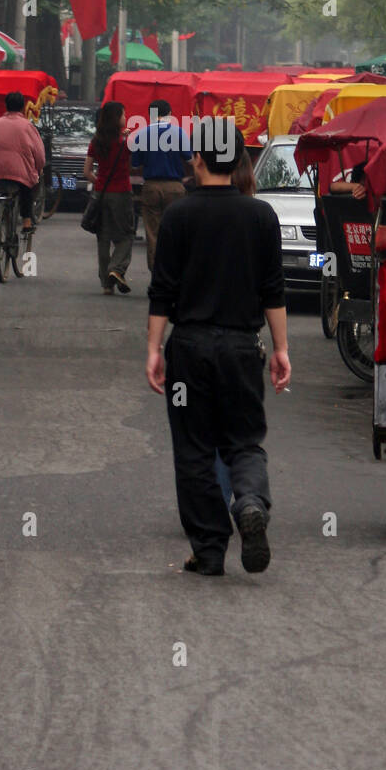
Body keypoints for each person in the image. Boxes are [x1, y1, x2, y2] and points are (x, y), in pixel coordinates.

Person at [146, 125, 291, 577]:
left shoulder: (178, 216)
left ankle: (208, 550)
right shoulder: (261, 217)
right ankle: (248, 501)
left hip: (189, 351)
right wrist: (281, 348)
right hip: (242, 350)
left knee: (193, 449)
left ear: (199, 160)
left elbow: (162, 291)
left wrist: (154, 349)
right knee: (243, 441)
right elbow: (273, 290)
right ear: (238, 163)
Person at [0, 91, 45, 259]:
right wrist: (39, 168)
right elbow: (39, 155)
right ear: (23, 107)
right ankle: (27, 221)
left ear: (6, 106)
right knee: (27, 187)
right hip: (19, 174)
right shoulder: (27, 126)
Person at [129, 100, 192, 271]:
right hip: (175, 188)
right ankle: (174, 272)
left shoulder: (141, 134)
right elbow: (190, 159)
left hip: (151, 187)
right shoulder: (179, 132)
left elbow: (135, 164)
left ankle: (157, 273)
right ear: (170, 113)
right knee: (175, 231)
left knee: (153, 233)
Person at [83, 101, 135, 294]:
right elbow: (131, 167)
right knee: (126, 235)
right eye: (123, 114)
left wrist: (99, 182)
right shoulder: (125, 143)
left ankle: (106, 284)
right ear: (116, 118)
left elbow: (86, 171)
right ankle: (116, 268)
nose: (125, 117)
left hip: (100, 193)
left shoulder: (96, 141)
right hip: (121, 193)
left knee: (103, 238)